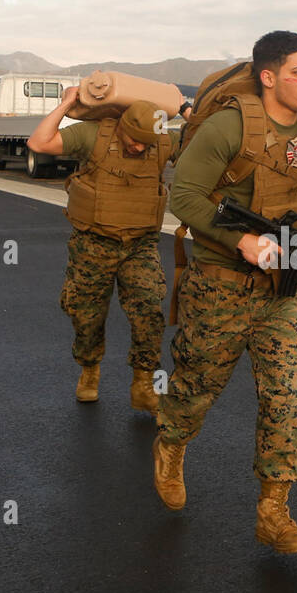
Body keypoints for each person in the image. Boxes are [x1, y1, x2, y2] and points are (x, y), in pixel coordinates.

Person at [154, 30, 297, 554]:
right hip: (219, 288)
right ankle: (171, 445)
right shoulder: (229, 126)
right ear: (268, 76)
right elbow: (183, 196)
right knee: (195, 390)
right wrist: (242, 240)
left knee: (285, 396)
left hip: (283, 291)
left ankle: (273, 510)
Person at [27, 97, 173, 412]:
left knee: (149, 309)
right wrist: (66, 104)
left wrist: (186, 109)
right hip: (93, 242)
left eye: (145, 144)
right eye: (134, 141)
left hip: (140, 243)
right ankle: (90, 368)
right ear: (123, 127)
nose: (138, 148)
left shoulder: (159, 142)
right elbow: (38, 142)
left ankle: (143, 384)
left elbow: (200, 136)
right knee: (86, 316)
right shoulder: (94, 134)